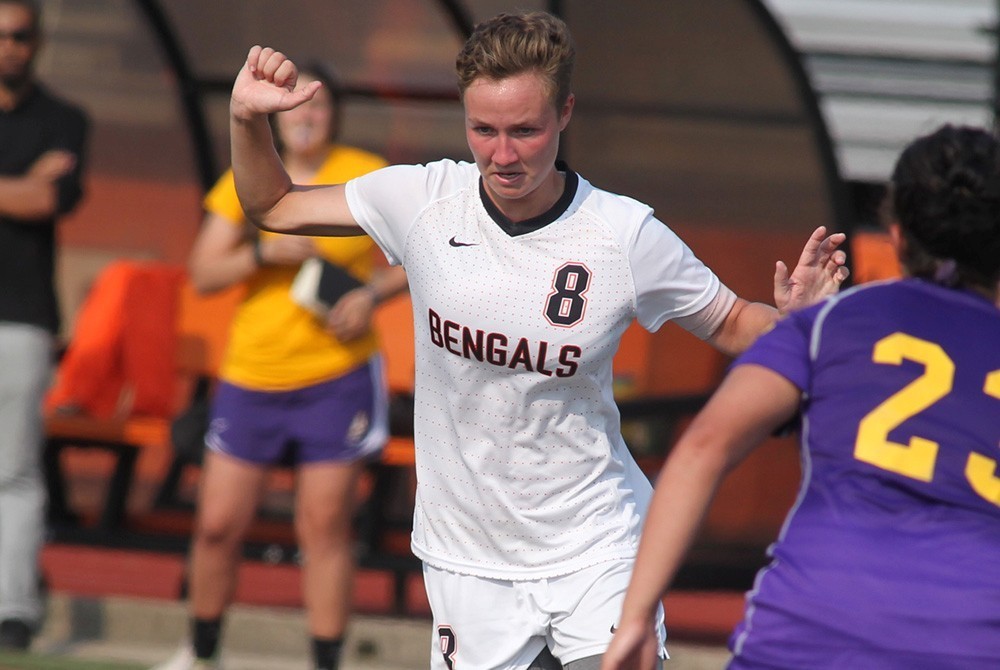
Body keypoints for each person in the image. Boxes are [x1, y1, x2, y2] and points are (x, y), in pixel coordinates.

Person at [226, 11, 848, 669]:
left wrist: (799, 322)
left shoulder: (622, 234)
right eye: (483, 130)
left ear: (565, 113)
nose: (502, 154)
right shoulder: (422, 200)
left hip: (596, 543)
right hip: (468, 557)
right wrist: (245, 120)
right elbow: (274, 207)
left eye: (525, 130)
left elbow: (733, 323)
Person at [602, 123, 1000, 670]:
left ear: (899, 236)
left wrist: (635, 615)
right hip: (966, 641)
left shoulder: (836, 323)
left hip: (809, 632)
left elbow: (704, 448)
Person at [153, 62, 407, 670]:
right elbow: (203, 272)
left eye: (316, 106)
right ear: (271, 112)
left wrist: (369, 296)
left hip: (336, 376)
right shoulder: (249, 172)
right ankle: (201, 651)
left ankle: (326, 660)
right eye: (292, 106)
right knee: (217, 524)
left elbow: (422, 252)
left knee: (324, 530)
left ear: (333, 113)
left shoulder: (365, 172)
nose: (305, 117)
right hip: (252, 374)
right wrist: (264, 249)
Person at [0, 0, 88, 652]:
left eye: (20, 36)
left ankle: (14, 609)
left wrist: (34, 190)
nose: (10, 46)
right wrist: (19, 185)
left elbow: (46, 201)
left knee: (15, 469)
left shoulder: (64, 120)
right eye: (0, 36)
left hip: (23, 318)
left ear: (37, 42)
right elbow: (25, 195)